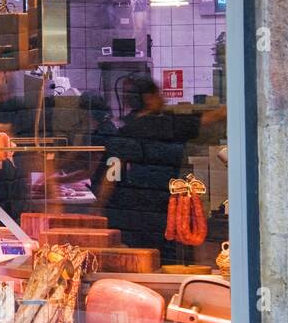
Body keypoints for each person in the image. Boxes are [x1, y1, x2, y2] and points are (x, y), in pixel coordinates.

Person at [95, 75, 226, 261]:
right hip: (164, 207)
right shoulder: (169, 125)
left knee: (137, 257)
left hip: (131, 211)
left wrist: (99, 205)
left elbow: (111, 175)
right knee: (165, 256)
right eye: (159, 94)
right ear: (149, 98)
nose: (163, 98)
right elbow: (211, 118)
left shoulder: (125, 131)